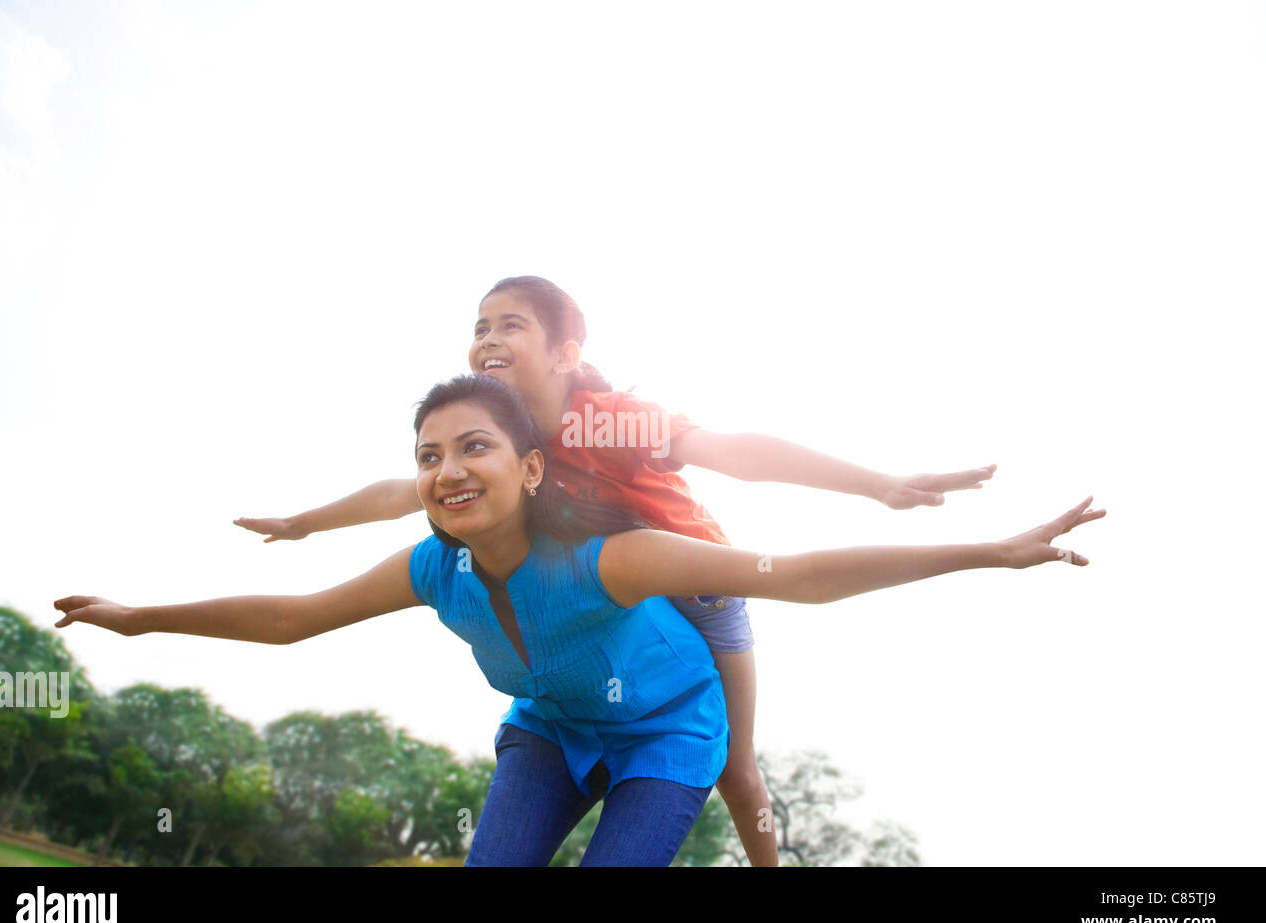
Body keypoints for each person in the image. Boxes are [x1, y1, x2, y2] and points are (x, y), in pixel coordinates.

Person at [58, 374, 1104, 866]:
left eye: (471, 445)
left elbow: (799, 573)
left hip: (666, 733)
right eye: (427, 455)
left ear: (530, 465)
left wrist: (991, 549)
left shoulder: (613, 557)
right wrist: (138, 618)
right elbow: (292, 617)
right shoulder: (436, 567)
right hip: (551, 733)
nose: (446, 468)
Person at [232, 275, 999, 866]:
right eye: (479, 327)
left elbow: (739, 453)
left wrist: (877, 483)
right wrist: (304, 523)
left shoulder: (609, 418)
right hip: (604, 592)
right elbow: (400, 493)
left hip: (697, 588)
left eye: (511, 325)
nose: (487, 339)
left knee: (735, 770)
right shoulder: (495, 433)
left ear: (565, 351)